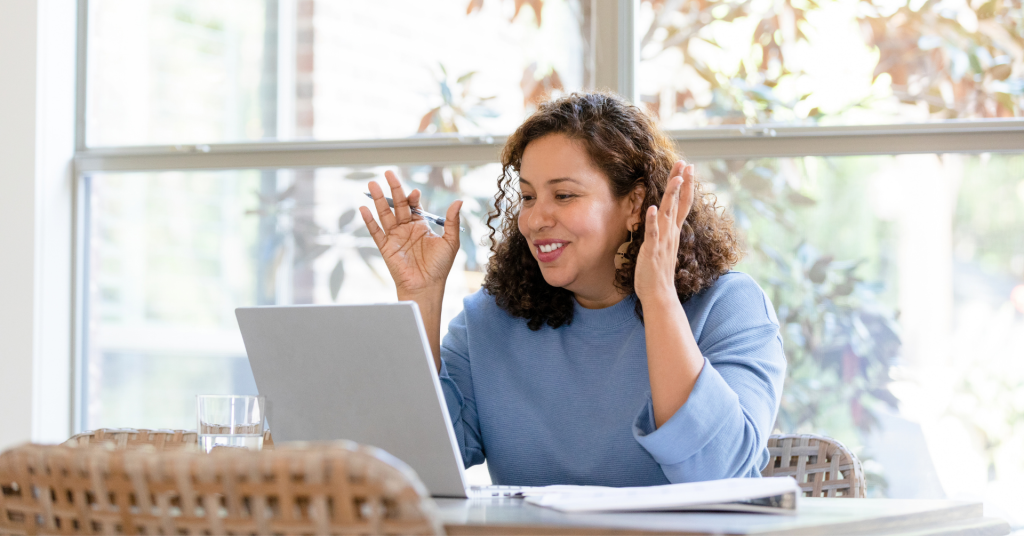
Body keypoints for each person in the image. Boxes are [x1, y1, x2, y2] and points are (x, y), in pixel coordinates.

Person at [359, 92, 786, 487]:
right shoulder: (489, 320)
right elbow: (411, 466)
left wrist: (657, 296)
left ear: (634, 204)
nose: (534, 220)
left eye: (563, 195)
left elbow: (719, 473)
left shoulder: (728, 307)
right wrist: (421, 296)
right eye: (528, 197)